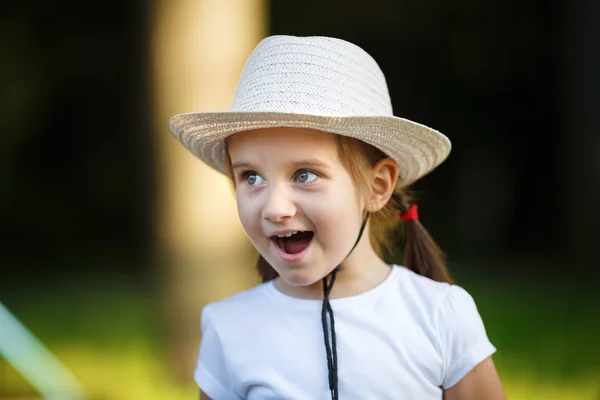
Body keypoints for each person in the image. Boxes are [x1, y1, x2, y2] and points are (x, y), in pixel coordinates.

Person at [168, 35, 506, 400]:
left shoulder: (440, 316)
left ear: (377, 187)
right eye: (251, 177)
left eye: (304, 175)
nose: (275, 208)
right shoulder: (230, 328)